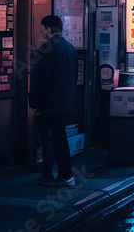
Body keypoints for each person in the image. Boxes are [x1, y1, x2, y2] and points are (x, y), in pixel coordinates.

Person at [31, 15, 77, 187]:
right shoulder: (69, 47)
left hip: (49, 104)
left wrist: (34, 103)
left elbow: (40, 80)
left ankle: (64, 174)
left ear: (48, 29)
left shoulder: (47, 49)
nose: (41, 32)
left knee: (51, 139)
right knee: (57, 137)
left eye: (42, 28)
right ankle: (51, 174)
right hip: (65, 101)